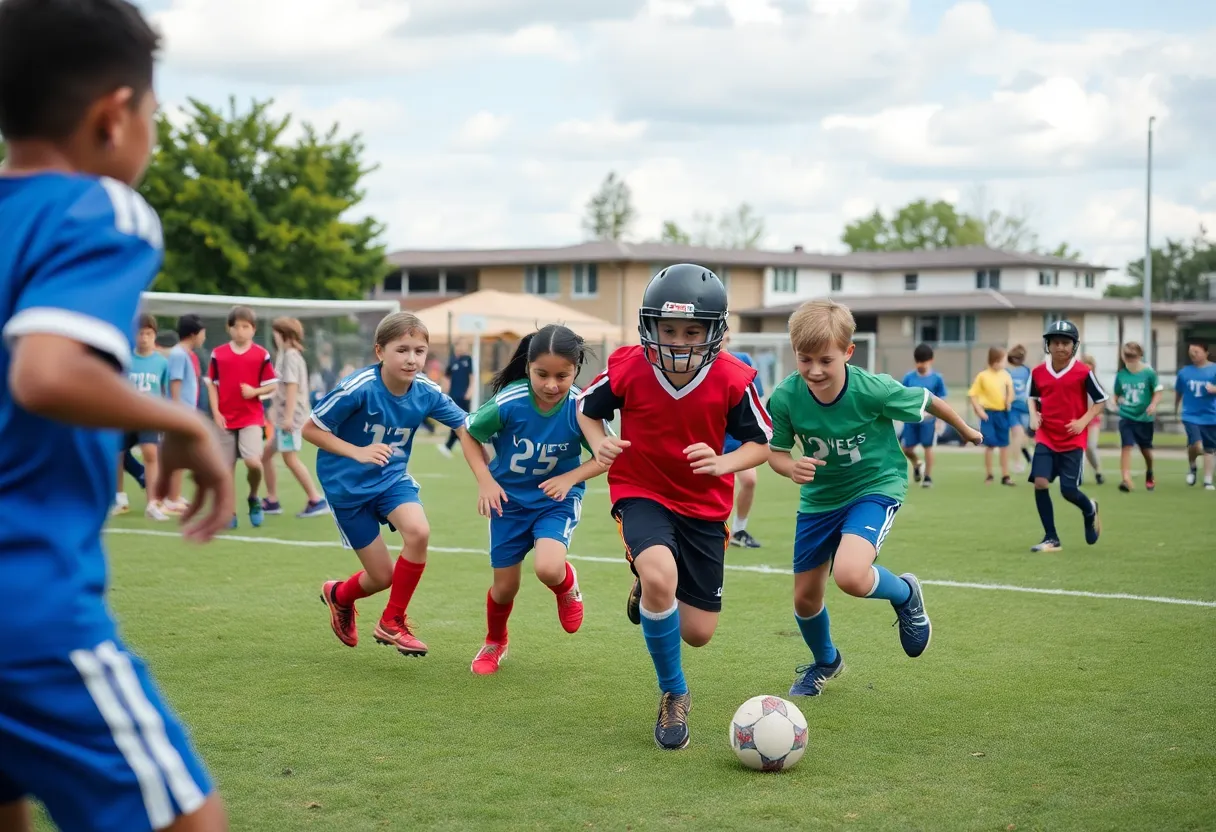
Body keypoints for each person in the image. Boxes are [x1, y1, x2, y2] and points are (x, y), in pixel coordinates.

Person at [0, 1, 234, 829]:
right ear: (115, 116)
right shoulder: (99, 209)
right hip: (26, 603)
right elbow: (46, 372)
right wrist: (187, 422)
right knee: (191, 820)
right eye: (155, 117)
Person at [577, 263, 772, 751]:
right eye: (668, 330)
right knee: (661, 575)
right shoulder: (628, 366)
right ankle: (674, 692)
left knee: (698, 632)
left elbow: (762, 443)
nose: (679, 342)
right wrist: (599, 443)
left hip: (703, 506)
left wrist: (723, 462)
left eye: (692, 332)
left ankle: (649, 587)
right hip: (641, 489)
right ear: (650, 326)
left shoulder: (733, 378)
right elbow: (587, 408)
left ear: (714, 332)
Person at [767, 300, 980, 698]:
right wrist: (790, 467)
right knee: (805, 599)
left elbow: (927, 400)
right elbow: (776, 452)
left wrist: (965, 428)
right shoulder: (785, 397)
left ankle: (905, 594)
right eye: (805, 359)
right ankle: (826, 661)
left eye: (825, 360)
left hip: (874, 487)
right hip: (819, 501)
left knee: (850, 575)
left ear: (848, 352)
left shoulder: (872, 389)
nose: (815, 370)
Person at [309, 312, 476, 657]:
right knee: (381, 577)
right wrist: (357, 452)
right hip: (347, 489)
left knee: (419, 532)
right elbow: (311, 429)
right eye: (402, 350)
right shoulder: (359, 388)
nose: (411, 359)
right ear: (379, 351)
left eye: (419, 351)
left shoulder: (426, 392)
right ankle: (339, 595)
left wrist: (490, 466)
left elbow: (466, 426)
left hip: (391, 479)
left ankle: (392, 621)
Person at [460, 325, 609, 675]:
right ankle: (495, 641)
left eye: (562, 376)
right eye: (542, 374)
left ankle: (567, 587)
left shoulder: (580, 406)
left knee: (548, 567)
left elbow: (603, 456)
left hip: (555, 501)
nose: (551, 385)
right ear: (528, 366)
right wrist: (485, 481)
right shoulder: (510, 401)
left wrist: (570, 478)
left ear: (576, 370)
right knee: (504, 588)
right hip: (508, 503)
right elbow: (469, 433)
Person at [1027, 320, 1107, 552]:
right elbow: (1032, 397)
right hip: (1046, 436)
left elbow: (1101, 401)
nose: (1060, 347)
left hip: (1072, 439)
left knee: (1068, 491)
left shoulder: (1083, 372)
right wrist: (1033, 415)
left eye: (1065, 343)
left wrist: (1083, 421)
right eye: (1056, 342)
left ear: (1074, 346)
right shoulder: (1038, 372)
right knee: (1040, 482)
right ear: (1048, 345)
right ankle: (1051, 538)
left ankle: (1089, 509)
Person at [206, 305, 277, 528]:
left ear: (253, 329)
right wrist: (216, 412)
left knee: (253, 463)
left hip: (251, 418)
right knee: (225, 468)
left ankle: (254, 497)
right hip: (225, 419)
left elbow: (272, 384)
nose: (240, 331)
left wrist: (255, 392)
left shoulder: (261, 354)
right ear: (229, 328)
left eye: (246, 327)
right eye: (236, 327)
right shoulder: (218, 354)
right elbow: (212, 384)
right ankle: (230, 511)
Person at [260, 317, 328, 518]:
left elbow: (292, 388)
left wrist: (288, 418)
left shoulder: (290, 356)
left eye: (276, 333)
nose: (274, 337)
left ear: (284, 335)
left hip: (290, 419)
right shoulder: (287, 355)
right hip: (284, 417)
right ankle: (272, 500)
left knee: (290, 458)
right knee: (265, 455)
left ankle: (316, 499)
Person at [118, 313, 171, 520]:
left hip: (149, 416)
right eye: (140, 333)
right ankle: (119, 499)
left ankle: (152, 503)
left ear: (154, 336)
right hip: (125, 415)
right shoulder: (126, 360)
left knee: (151, 453)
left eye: (148, 334)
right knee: (117, 454)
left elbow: (164, 391)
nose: (144, 338)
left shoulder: (161, 363)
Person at [722, 332, 766, 547]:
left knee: (749, 480)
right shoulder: (698, 364)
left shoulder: (742, 361)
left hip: (737, 435)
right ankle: (713, 528)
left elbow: (756, 396)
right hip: (712, 435)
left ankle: (739, 530)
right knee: (716, 487)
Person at [163, 313, 207, 513]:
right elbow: (175, 382)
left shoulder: (186, 354)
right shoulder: (179, 354)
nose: (204, 337)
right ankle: (171, 498)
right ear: (193, 334)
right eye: (202, 333)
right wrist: (177, 411)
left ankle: (175, 494)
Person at [1112, 341, 1161, 492]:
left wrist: (1153, 404)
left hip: (1144, 418)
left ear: (1140, 356)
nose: (1130, 359)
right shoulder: (1121, 375)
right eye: (1127, 356)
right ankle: (1126, 480)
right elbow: (1116, 393)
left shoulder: (1149, 373)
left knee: (1146, 450)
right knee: (1126, 446)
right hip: (1127, 416)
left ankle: (1150, 471)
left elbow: (1158, 391)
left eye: (1133, 356)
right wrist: (1114, 402)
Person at [899, 343, 949, 488]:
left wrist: (940, 420)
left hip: (929, 420)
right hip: (911, 419)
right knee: (906, 449)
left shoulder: (937, 378)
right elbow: (902, 396)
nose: (920, 364)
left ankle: (927, 477)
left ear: (931, 360)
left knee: (928, 447)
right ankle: (917, 463)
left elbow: (942, 400)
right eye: (918, 361)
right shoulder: (909, 378)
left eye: (924, 361)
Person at [969, 346, 1015, 485]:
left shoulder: (1005, 375)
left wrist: (1008, 401)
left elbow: (1011, 392)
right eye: (1003, 361)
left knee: (1004, 445)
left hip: (1002, 414)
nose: (1004, 363)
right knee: (990, 445)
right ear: (995, 361)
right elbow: (973, 395)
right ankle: (989, 475)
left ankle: (1005, 476)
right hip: (988, 415)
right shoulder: (983, 376)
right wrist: (979, 411)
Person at [1174, 341, 1216, 489]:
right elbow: (1178, 391)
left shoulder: (1214, 370)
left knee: (1209, 448)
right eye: (1191, 352)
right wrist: (1176, 407)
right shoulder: (1184, 372)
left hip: (1210, 415)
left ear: (1206, 352)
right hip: (1190, 415)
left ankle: (1207, 480)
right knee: (1197, 446)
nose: (1193, 355)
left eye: (1196, 352)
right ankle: (1193, 466)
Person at [438, 339, 474, 458]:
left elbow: (472, 377)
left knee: (463, 421)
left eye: (463, 345)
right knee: (457, 422)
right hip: (454, 396)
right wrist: (443, 392)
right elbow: (446, 378)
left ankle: (449, 446)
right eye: (459, 345)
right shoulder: (452, 360)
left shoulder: (468, 360)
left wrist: (470, 390)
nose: (460, 348)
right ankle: (452, 446)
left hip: (464, 396)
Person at [1006, 344, 1033, 472]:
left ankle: (1027, 454)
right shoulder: (1007, 372)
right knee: (1017, 434)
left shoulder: (1027, 371)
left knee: (1025, 438)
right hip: (1013, 408)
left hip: (1026, 408)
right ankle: (1017, 463)